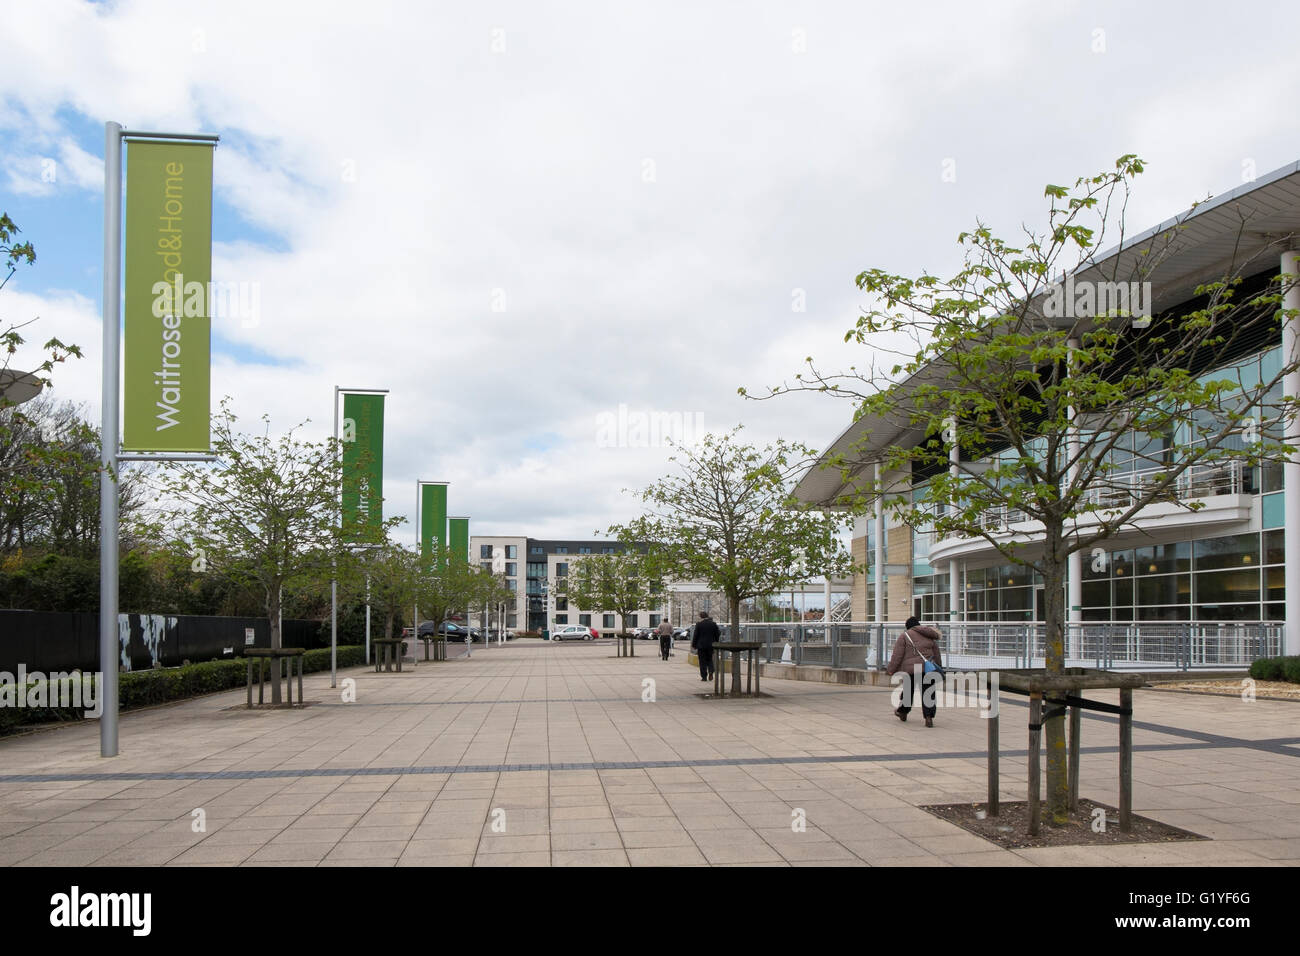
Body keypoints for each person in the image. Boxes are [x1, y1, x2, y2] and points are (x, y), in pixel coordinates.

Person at [886, 616, 944, 728]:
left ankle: (903, 712)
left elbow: (897, 655)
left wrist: (891, 669)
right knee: (928, 693)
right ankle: (929, 717)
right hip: (928, 669)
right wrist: (938, 667)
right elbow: (936, 654)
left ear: (907, 626)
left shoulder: (905, 635)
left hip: (911, 669)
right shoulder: (929, 635)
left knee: (908, 691)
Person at [691, 611, 720, 682]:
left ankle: (704, 677)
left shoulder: (699, 624)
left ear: (701, 616)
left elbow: (696, 635)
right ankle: (711, 671)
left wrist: (694, 645)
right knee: (709, 659)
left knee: (702, 661)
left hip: (701, 645)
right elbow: (718, 633)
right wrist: (715, 641)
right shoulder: (713, 624)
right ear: (707, 616)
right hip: (710, 645)